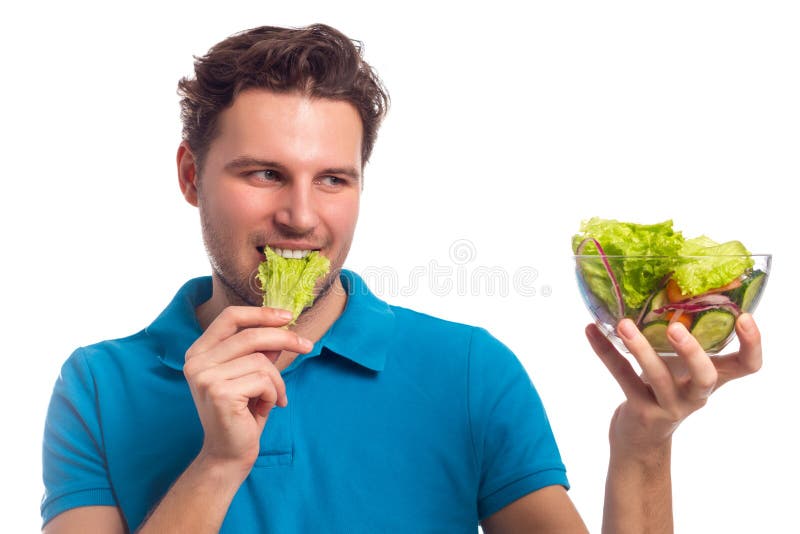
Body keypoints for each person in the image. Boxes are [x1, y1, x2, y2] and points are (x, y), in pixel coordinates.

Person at [40, 24, 763, 533]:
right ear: (191, 175)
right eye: (264, 173)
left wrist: (645, 441)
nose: (301, 215)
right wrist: (218, 464)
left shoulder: (471, 371)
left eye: (332, 179)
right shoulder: (99, 387)